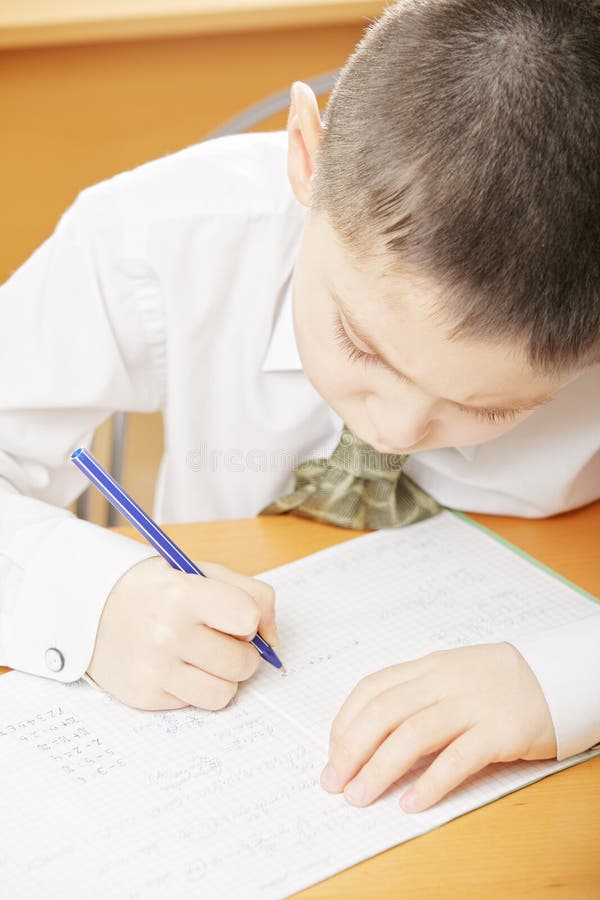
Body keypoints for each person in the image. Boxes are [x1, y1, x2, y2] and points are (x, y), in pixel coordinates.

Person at [1, 0, 599, 813]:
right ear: (306, 157)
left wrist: (569, 682)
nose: (391, 430)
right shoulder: (157, 239)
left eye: (490, 410)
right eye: (359, 343)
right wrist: (92, 597)